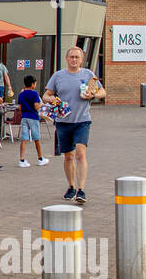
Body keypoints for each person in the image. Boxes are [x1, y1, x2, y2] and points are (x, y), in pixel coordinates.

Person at [44, 46, 106, 202]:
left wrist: (92, 95)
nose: (74, 60)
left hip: (82, 120)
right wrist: (51, 99)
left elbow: (102, 92)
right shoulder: (58, 76)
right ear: (66, 58)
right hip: (63, 121)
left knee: (80, 153)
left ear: (81, 59)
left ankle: (81, 190)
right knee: (68, 156)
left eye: (77, 57)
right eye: (71, 57)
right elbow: (46, 95)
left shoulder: (88, 74)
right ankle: (71, 186)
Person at [16, 75, 50, 167]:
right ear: (32, 84)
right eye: (35, 83)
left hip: (24, 117)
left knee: (24, 138)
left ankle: (22, 160)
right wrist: (42, 105)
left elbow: (19, 107)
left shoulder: (21, 94)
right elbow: (36, 106)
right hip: (33, 117)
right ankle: (40, 158)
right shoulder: (34, 94)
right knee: (36, 138)